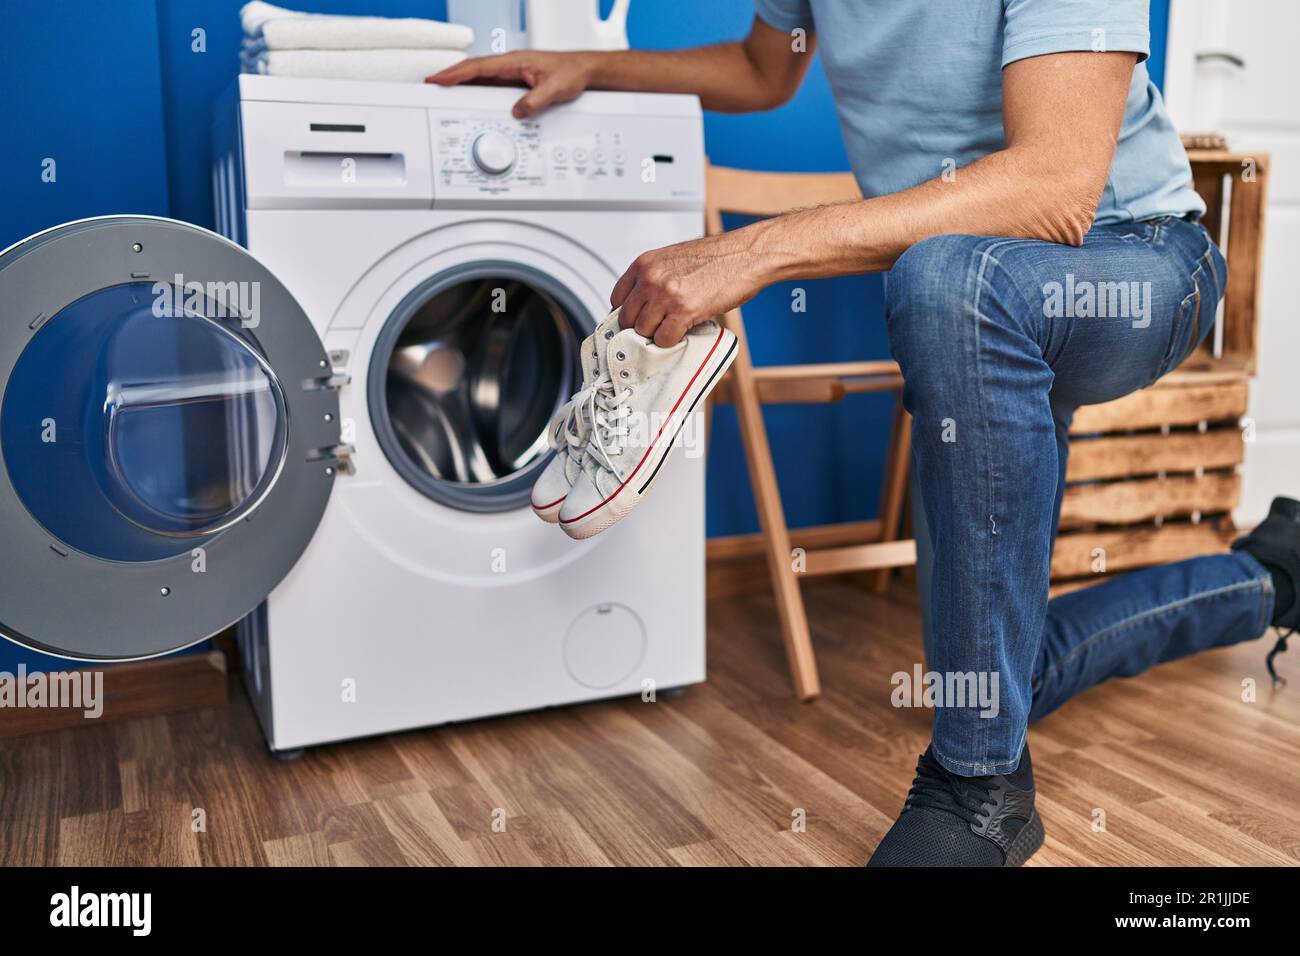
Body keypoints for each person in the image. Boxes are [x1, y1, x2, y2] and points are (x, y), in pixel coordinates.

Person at [428, 1, 1299, 867]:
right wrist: (590, 67)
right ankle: (1272, 576)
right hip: (974, 291)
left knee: (948, 277)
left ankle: (978, 793)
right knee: (992, 682)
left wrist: (755, 251)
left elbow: (1053, 187)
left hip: (1133, 261)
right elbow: (766, 68)